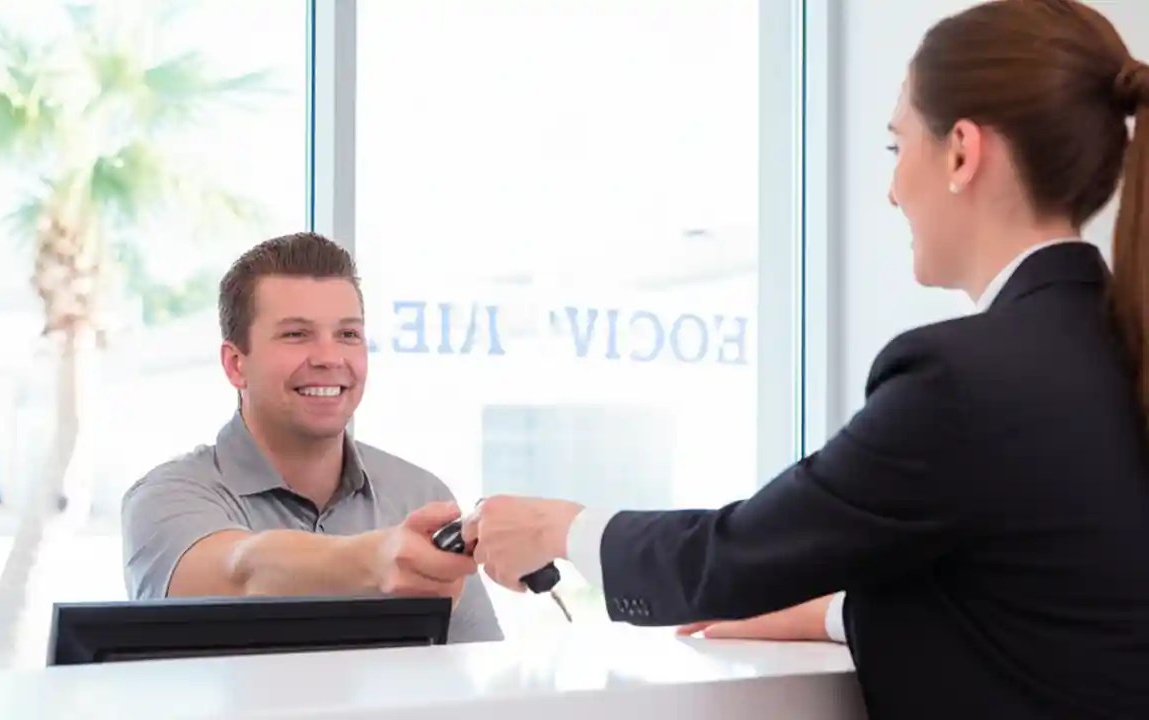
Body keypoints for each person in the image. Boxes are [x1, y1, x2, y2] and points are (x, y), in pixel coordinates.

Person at [463, 0, 1149, 716]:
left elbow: (734, 555)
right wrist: (836, 613)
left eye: (896, 145)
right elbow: (1048, 604)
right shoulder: (1115, 351)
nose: (891, 189)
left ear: (961, 152)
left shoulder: (963, 382)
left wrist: (558, 530)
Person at [121, 232, 502, 644]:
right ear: (235, 365)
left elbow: (479, 683)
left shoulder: (419, 494)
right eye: (296, 335)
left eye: (348, 335)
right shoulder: (165, 498)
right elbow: (242, 571)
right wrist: (376, 561)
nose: (329, 357)